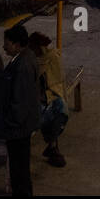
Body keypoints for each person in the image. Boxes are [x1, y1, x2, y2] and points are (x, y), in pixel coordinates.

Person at [0, 24, 41, 196]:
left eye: (7, 43)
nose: (4, 47)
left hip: (18, 129)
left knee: (19, 170)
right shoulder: (25, 58)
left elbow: (19, 101)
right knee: (20, 168)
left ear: (17, 44)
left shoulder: (22, 66)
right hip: (21, 126)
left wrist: (9, 123)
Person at [29, 32, 68, 168]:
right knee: (51, 112)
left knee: (60, 110)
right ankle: (52, 146)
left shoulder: (51, 58)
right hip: (36, 99)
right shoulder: (32, 60)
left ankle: (52, 145)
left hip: (50, 95)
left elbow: (55, 81)